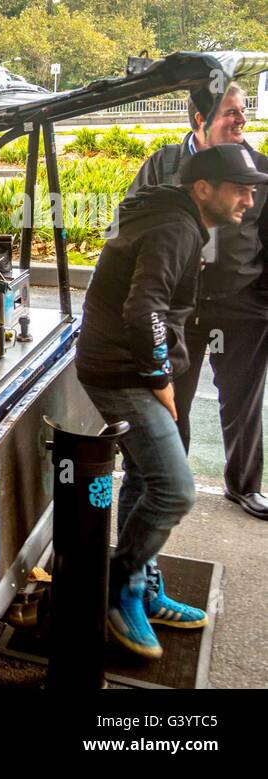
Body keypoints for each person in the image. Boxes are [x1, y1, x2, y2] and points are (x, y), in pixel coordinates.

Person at [78, 144, 267, 658]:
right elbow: (145, 309)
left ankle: (141, 587)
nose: (249, 200)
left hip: (124, 362)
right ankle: (121, 587)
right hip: (121, 371)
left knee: (143, 477)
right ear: (203, 189)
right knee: (175, 488)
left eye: (253, 190)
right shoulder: (175, 227)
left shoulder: (173, 213)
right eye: (240, 189)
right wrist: (160, 375)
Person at [128, 83, 268, 519]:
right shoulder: (164, 164)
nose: (241, 120)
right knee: (172, 399)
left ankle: (243, 486)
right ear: (200, 120)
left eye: (243, 111)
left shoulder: (261, 169)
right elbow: (126, 223)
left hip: (241, 306)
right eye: (230, 112)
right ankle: (172, 485)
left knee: (242, 401)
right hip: (177, 309)